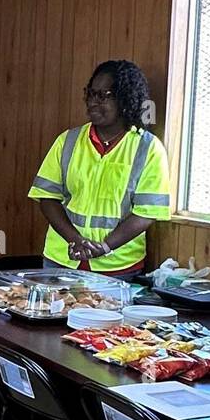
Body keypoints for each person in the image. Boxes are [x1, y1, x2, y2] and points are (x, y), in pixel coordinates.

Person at [29, 59, 171, 276]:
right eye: (91, 93)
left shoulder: (148, 149)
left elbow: (147, 213)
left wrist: (105, 247)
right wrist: (75, 240)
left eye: (104, 95)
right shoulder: (67, 141)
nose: (93, 102)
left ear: (125, 100)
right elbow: (47, 197)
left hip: (118, 267)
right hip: (62, 260)